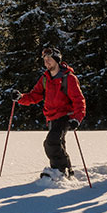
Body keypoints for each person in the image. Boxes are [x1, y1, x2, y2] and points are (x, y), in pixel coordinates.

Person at [11, 47, 87, 178]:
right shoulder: (45, 78)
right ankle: (67, 171)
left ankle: (59, 170)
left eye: (49, 59)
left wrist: (77, 119)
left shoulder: (69, 78)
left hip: (65, 116)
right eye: (45, 60)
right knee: (58, 143)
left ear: (57, 60)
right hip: (51, 117)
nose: (46, 62)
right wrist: (21, 98)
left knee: (51, 142)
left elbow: (79, 100)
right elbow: (35, 95)